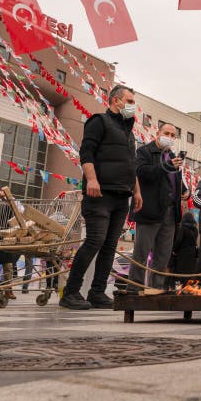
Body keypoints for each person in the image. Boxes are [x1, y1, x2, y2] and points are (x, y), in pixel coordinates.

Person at [61, 85, 143, 310]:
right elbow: (86, 152)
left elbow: (131, 165)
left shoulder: (128, 132)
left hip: (121, 196)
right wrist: (92, 180)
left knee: (109, 246)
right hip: (100, 193)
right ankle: (70, 292)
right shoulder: (98, 121)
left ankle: (97, 292)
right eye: (129, 101)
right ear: (115, 101)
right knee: (95, 240)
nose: (132, 105)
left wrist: (136, 191)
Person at [129, 122, 186, 291]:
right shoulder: (144, 151)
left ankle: (156, 289)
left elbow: (174, 182)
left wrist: (185, 190)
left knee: (163, 255)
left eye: (172, 135)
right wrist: (166, 166)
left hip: (170, 212)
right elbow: (142, 173)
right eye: (166, 133)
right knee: (142, 252)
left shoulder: (172, 155)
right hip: (149, 209)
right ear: (157, 133)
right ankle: (135, 288)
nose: (169, 137)